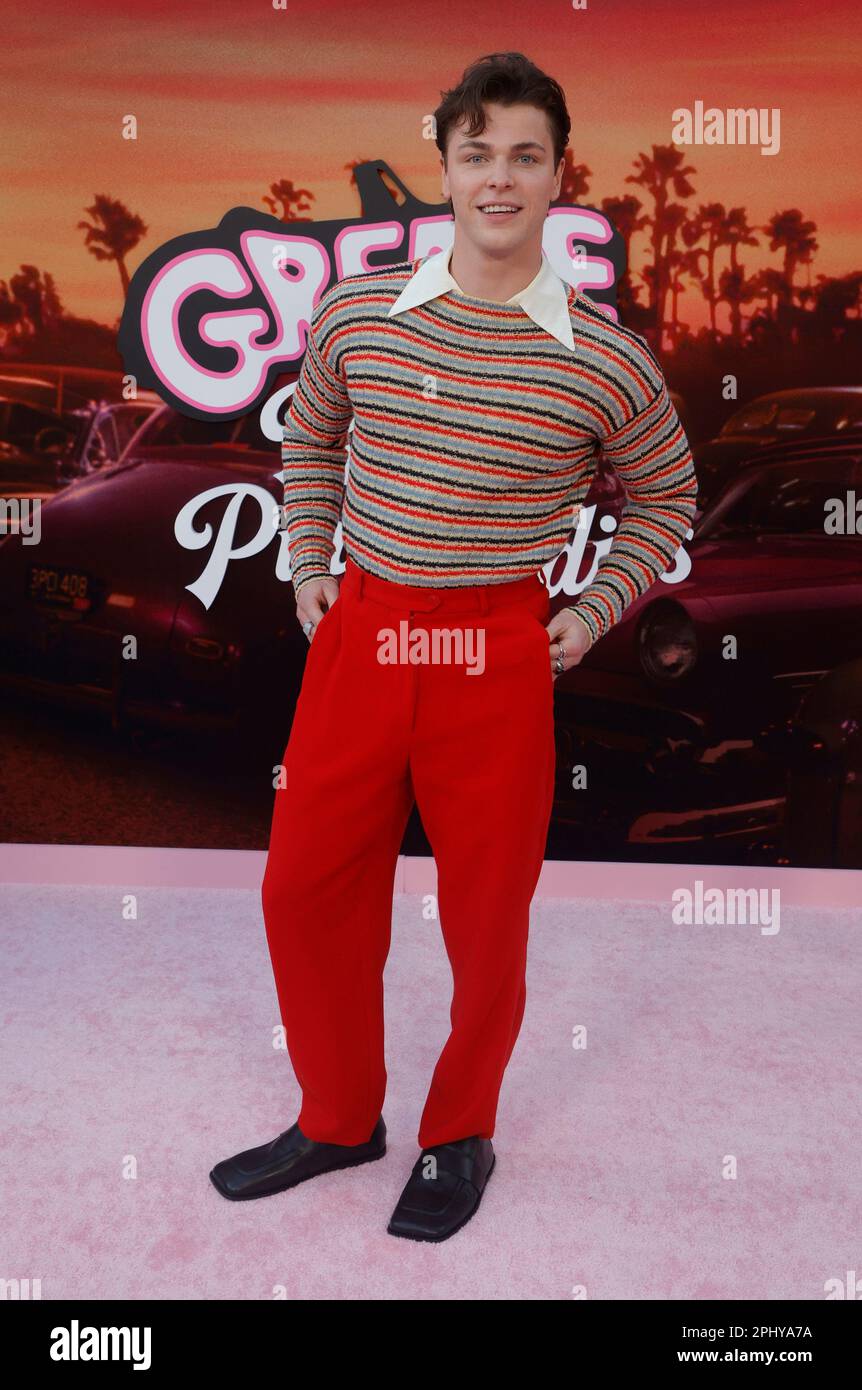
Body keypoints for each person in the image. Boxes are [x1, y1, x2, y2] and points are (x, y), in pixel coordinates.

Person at [210, 51, 698, 1242]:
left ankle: (458, 1130)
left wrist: (584, 616)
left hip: (496, 645)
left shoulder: (606, 357)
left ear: (555, 174)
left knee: (487, 915)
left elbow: (666, 503)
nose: (498, 178)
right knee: (303, 888)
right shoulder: (357, 313)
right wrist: (310, 562)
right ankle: (337, 1117)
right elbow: (312, 439)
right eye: (476, 154)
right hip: (364, 632)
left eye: (523, 156)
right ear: (444, 168)